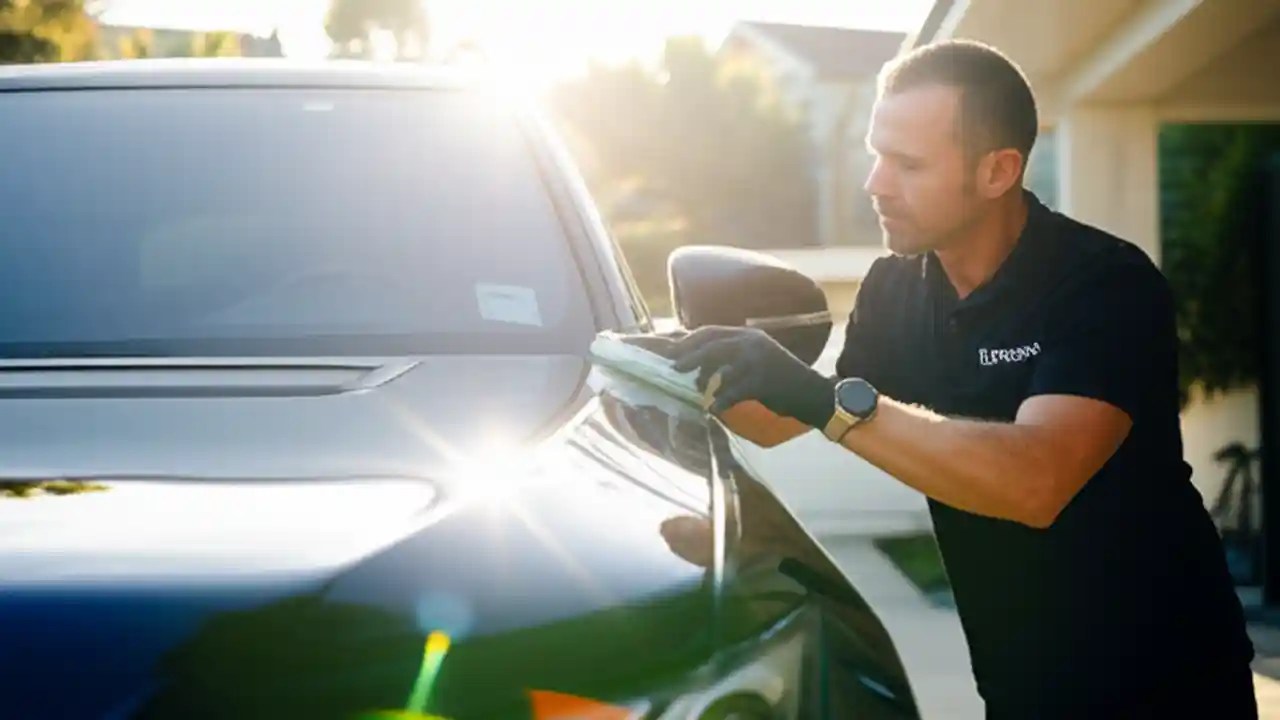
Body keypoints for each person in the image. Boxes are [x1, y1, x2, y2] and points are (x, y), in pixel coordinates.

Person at [641, 40, 1257, 718]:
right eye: (876, 155)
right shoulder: (896, 288)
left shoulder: (1103, 284)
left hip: (1169, 679)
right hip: (1020, 682)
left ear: (998, 171)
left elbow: (1036, 483)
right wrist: (673, 366)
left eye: (907, 164)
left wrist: (819, 398)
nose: (876, 183)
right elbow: (775, 421)